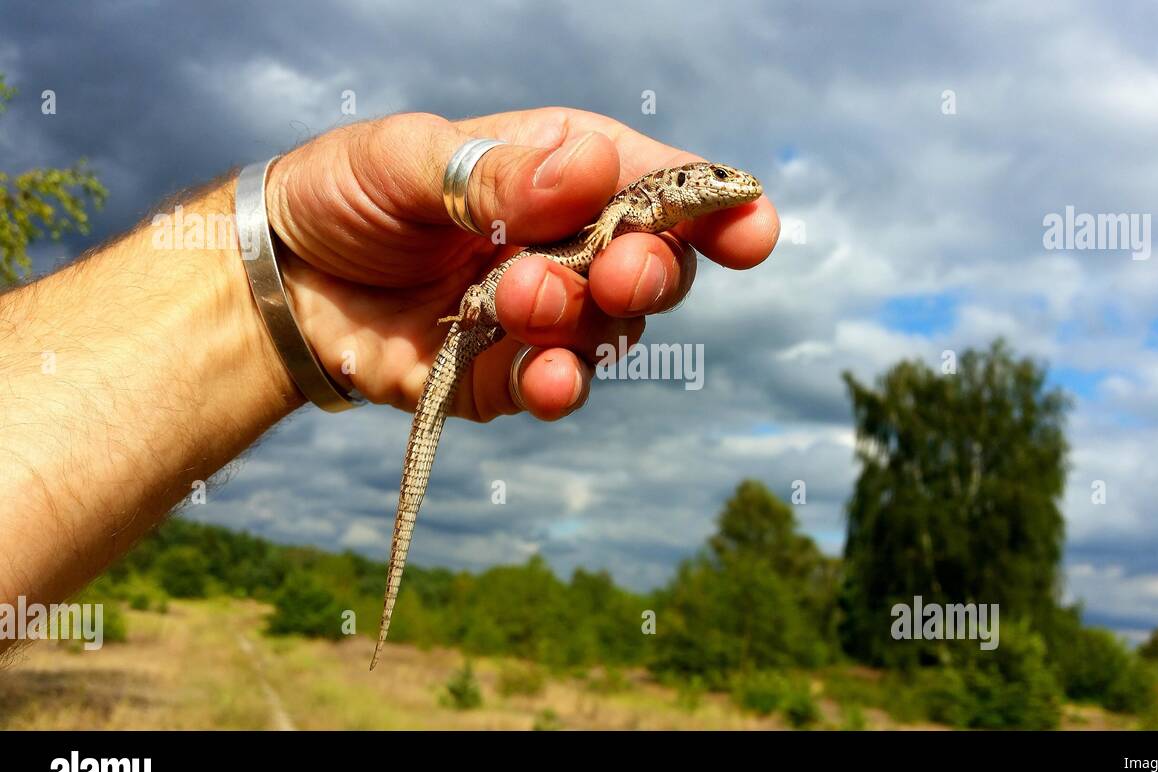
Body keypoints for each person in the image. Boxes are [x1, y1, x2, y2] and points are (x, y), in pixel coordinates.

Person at [0, 107, 779, 653]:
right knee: (574, 295)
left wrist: (267, 308)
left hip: (492, 301)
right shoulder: (635, 203)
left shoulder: (652, 221)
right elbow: (601, 232)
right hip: (482, 301)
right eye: (712, 177)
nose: (726, 185)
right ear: (672, 188)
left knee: (592, 301)